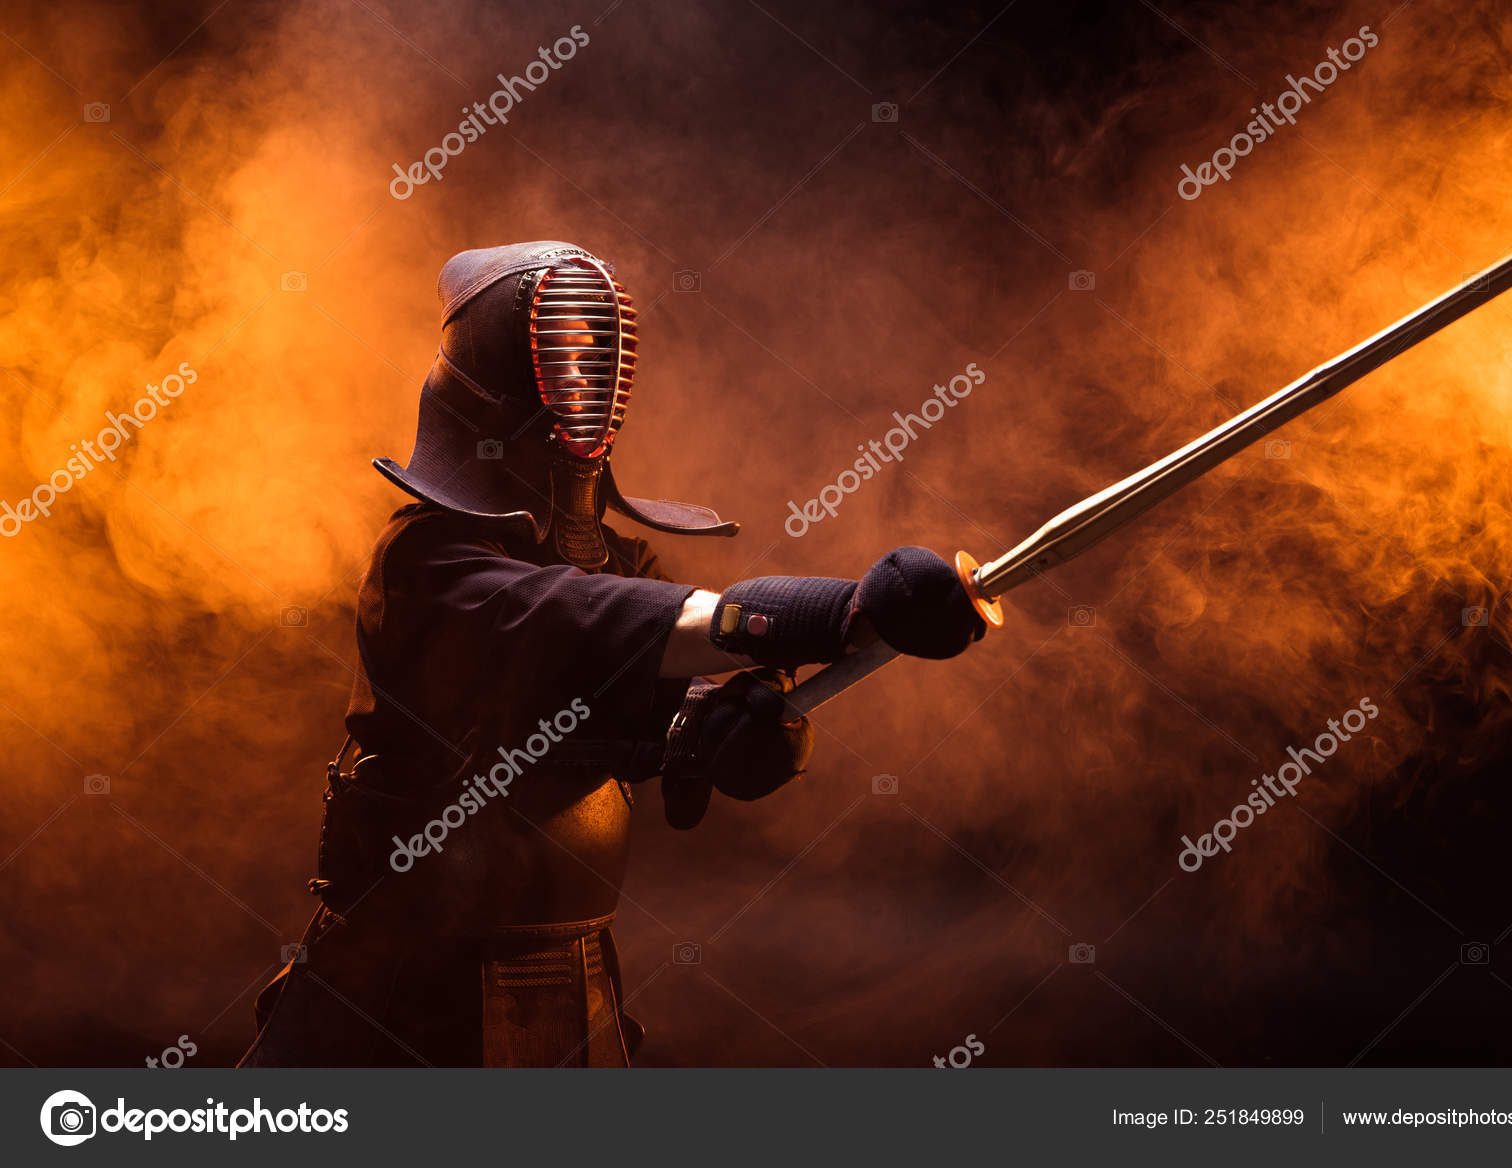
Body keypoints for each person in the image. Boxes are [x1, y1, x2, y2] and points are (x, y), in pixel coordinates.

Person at [238, 241, 984, 1067]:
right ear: (490, 388)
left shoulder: (617, 562)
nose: (585, 388)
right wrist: (834, 611)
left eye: (601, 362)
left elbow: (656, 681)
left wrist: (729, 719)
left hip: (571, 974)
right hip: (406, 986)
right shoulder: (428, 565)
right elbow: (595, 623)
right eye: (562, 360)